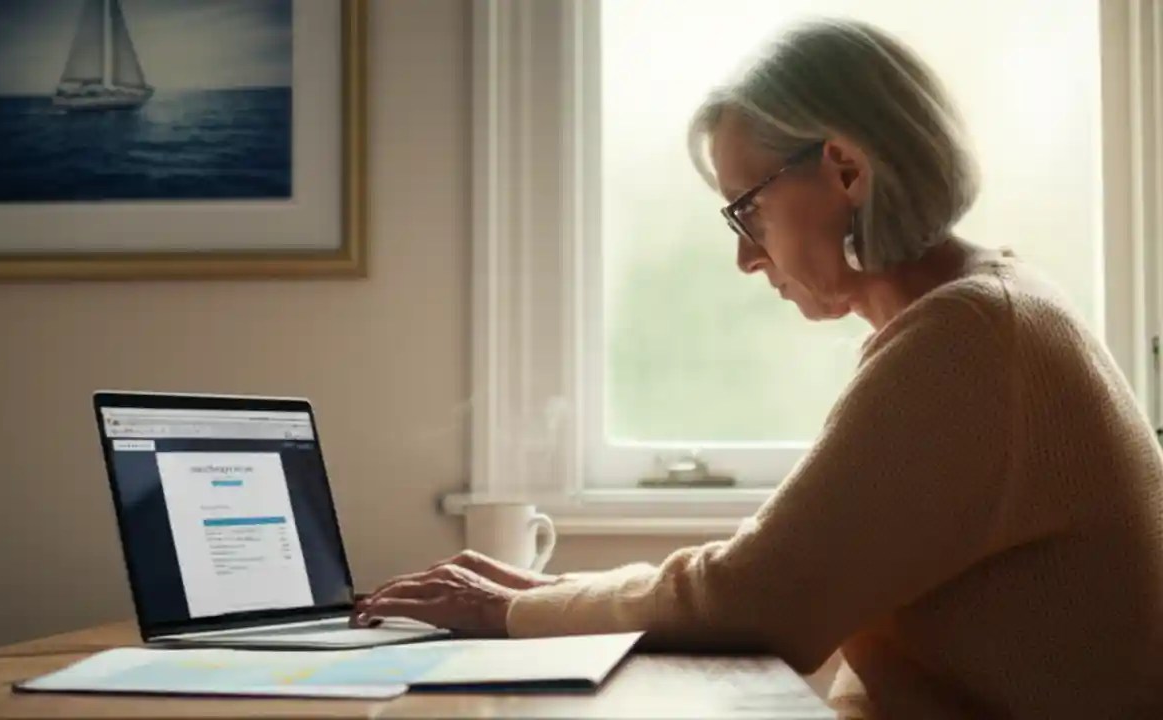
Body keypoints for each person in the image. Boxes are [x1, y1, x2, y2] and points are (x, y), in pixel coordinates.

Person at [354, 18, 1163, 718]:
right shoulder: (990, 311)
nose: (746, 257)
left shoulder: (969, 340)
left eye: (748, 210)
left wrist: (511, 611)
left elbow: (762, 601)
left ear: (846, 171)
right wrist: (542, 596)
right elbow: (768, 574)